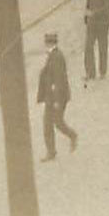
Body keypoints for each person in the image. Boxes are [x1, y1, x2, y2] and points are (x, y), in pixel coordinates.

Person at [36, 32, 77, 161]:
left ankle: (72, 136)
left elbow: (59, 80)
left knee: (56, 123)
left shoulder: (56, 57)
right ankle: (51, 151)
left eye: (47, 43)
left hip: (56, 97)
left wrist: (57, 101)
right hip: (52, 97)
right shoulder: (54, 55)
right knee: (49, 124)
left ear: (49, 44)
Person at [83, 0, 109, 79]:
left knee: (102, 47)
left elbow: (106, 7)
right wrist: (87, 17)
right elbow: (88, 4)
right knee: (88, 47)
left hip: (102, 23)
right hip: (91, 23)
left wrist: (93, 13)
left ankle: (102, 71)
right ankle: (90, 73)